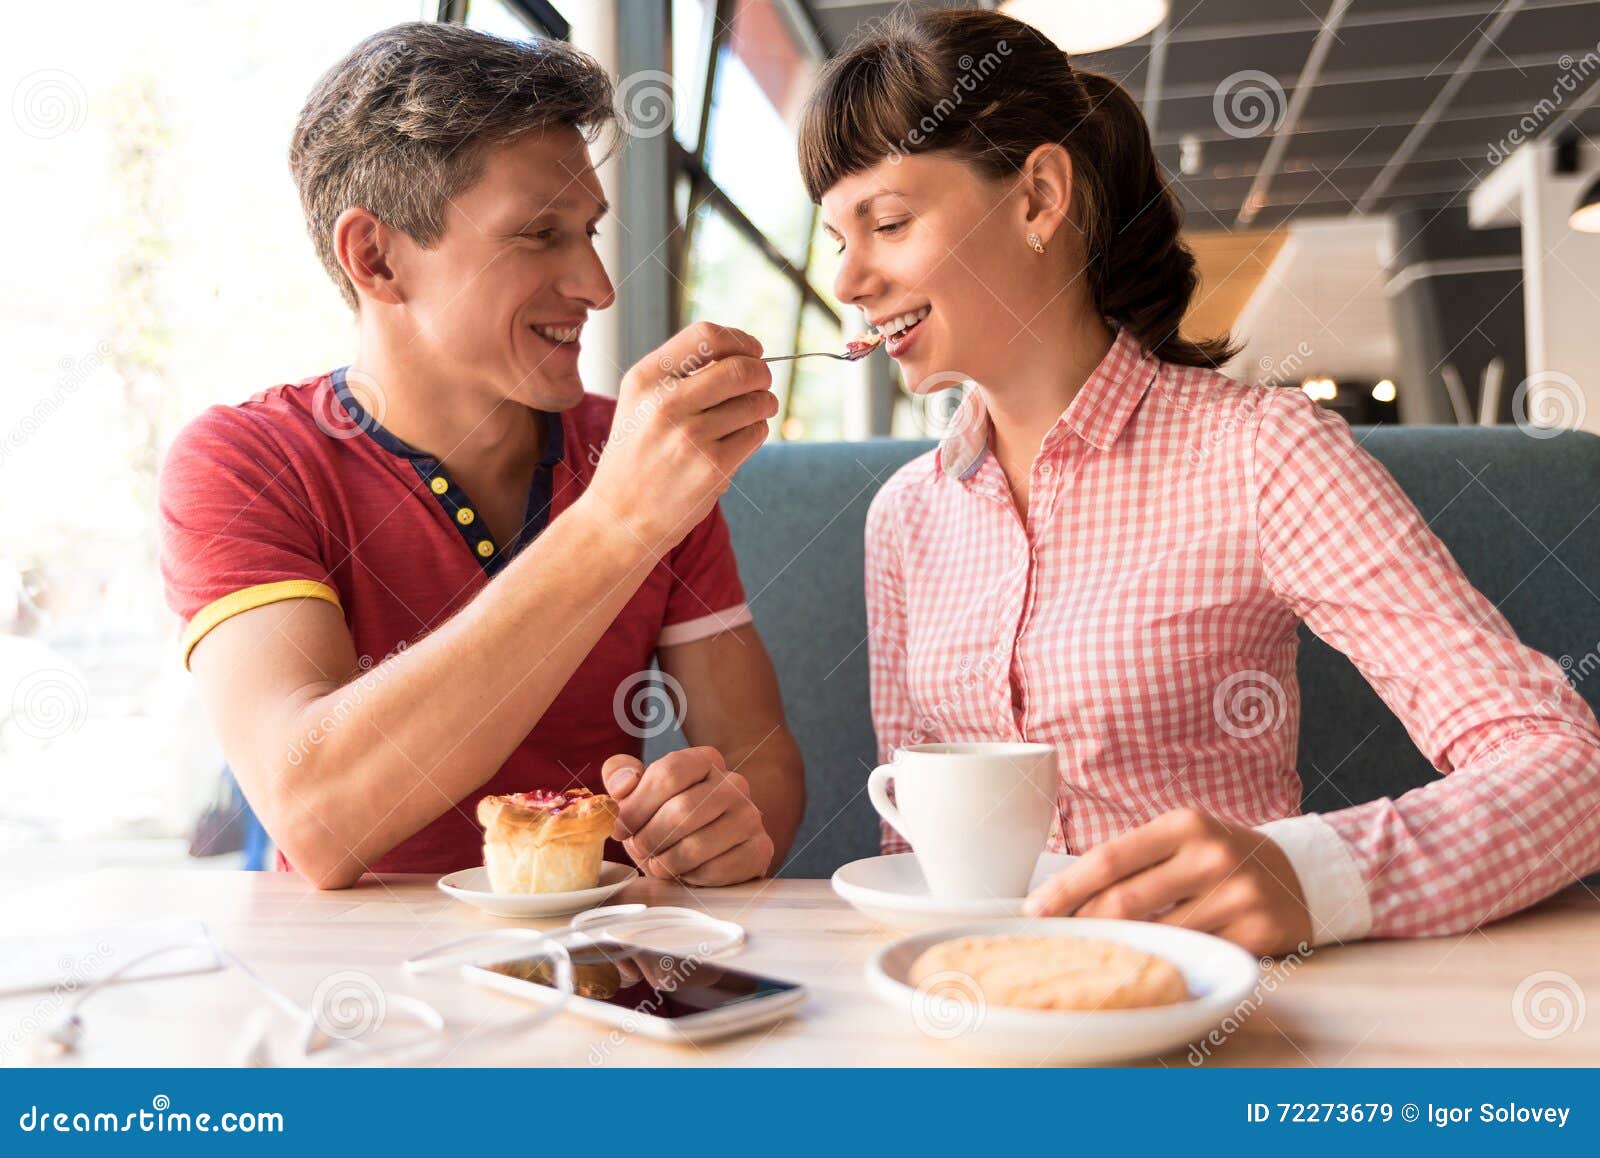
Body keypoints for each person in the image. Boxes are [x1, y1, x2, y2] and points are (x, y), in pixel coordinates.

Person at [798, 8, 1600, 954]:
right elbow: (911, 844)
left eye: (888, 223)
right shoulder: (904, 517)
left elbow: (1567, 769)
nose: (847, 281)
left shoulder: (1262, 454)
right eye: (836, 239)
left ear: (1037, 199)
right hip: (980, 1002)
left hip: (1209, 1001)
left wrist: (1309, 876)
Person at [158, 22, 803, 890]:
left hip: (600, 956)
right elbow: (316, 815)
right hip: (357, 972)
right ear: (375, 258)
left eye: (589, 230)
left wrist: (727, 824)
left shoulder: (638, 454)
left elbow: (761, 760)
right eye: (540, 234)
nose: (596, 286)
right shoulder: (246, 464)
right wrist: (618, 521)